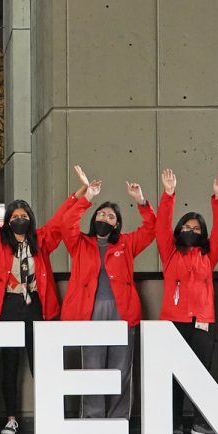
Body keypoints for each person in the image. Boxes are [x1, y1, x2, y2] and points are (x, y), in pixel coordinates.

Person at [59, 165, 157, 420]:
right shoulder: (80, 243)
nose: (104, 218)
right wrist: (88, 197)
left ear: (117, 224)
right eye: (100, 215)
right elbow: (66, 222)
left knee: (120, 369)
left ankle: (117, 420)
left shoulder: (126, 243)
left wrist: (141, 202)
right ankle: (92, 420)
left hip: (122, 311)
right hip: (89, 312)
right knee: (91, 368)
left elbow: (151, 229)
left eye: (110, 216)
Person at [0, 192, 73, 434]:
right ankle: (10, 419)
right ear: (7, 221)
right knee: (9, 364)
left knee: (40, 362)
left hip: (34, 306)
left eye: (23, 216)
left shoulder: (41, 240)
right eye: (14, 216)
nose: (19, 219)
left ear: (30, 219)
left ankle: (48, 415)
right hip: (8, 305)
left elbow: (61, 219)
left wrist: (81, 194)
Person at [156, 169, 218, 434]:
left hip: (202, 320)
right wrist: (169, 194)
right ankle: (173, 422)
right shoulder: (169, 253)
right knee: (173, 375)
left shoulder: (209, 256)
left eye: (196, 229)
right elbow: (161, 225)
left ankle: (201, 423)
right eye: (186, 227)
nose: (190, 231)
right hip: (172, 320)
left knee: (201, 373)